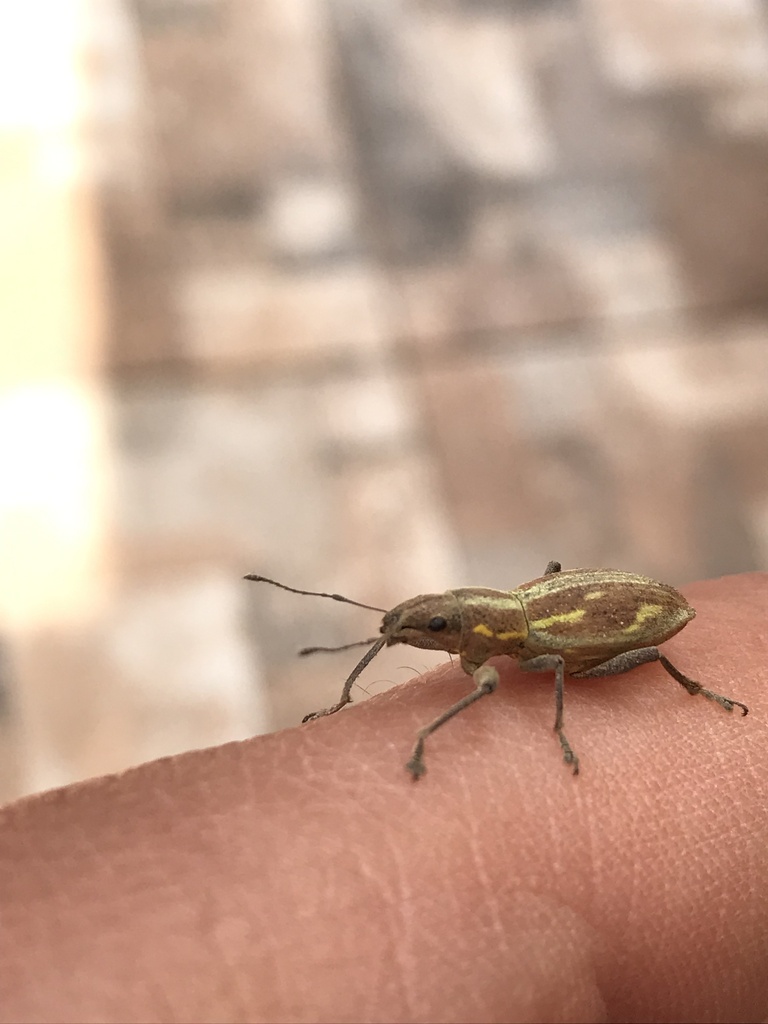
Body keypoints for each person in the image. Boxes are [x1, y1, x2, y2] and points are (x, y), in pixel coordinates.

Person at [0, 571, 766, 1023]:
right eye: (433, 625)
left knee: (606, 664)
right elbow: (400, 635)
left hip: (628, 620)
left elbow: (553, 670)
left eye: (435, 628)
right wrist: (351, 692)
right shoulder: (483, 626)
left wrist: (438, 739)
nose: (426, 635)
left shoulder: (528, 648)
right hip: (554, 605)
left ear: (470, 623)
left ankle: (696, 687)